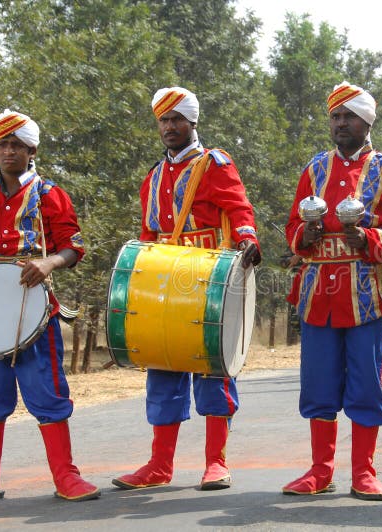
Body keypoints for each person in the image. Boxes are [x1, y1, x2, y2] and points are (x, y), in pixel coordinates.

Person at [0, 110, 98, 505]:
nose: (8, 151)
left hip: (35, 312)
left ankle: (66, 476)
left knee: (47, 393)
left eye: (17, 145)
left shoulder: (49, 194)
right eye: (2, 144)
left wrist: (48, 263)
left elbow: (73, 245)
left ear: (32, 151)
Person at [113, 87, 261, 492]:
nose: (169, 127)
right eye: (163, 120)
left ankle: (216, 463)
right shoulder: (152, 177)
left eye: (176, 119)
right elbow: (149, 235)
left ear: (192, 121)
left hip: (207, 279)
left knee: (213, 369)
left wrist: (248, 239)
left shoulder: (215, 164)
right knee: (162, 367)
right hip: (163, 285)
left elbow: (239, 208)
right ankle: (159, 465)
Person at [283, 82, 382, 501]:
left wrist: (370, 239)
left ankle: (364, 471)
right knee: (318, 384)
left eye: (349, 117)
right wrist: (304, 235)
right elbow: (292, 226)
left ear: (367, 122)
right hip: (317, 294)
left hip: (368, 294)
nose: (341, 123)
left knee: (365, 384)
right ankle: (320, 471)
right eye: (335, 117)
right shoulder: (314, 168)